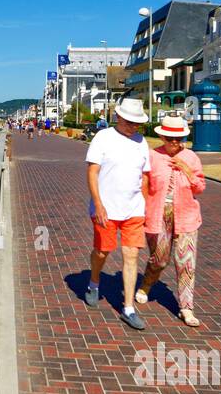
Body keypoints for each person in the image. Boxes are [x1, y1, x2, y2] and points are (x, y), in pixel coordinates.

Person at [84, 97, 152, 330]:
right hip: (106, 208)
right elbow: (93, 172)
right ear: (119, 117)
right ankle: (94, 283)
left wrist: (143, 201)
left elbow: (144, 175)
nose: (134, 127)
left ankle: (129, 308)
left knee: (131, 256)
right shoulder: (103, 138)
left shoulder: (141, 141)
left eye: (137, 123)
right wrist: (98, 203)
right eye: (130, 122)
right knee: (102, 252)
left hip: (133, 209)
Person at [137, 115, 205, 327]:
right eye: (169, 138)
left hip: (186, 216)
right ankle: (146, 285)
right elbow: (144, 186)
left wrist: (187, 170)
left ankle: (186, 307)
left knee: (186, 263)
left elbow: (200, 188)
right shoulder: (152, 156)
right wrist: (142, 213)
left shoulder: (191, 157)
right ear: (162, 137)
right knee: (160, 259)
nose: (174, 142)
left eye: (178, 138)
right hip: (158, 214)